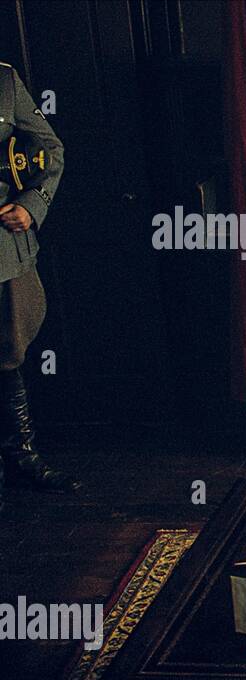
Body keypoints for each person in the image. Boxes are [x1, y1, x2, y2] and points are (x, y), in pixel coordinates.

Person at [0, 61, 81, 512]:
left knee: (9, 348)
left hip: (2, 245)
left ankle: (21, 457)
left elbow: (50, 147)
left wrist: (32, 204)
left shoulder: (3, 80)